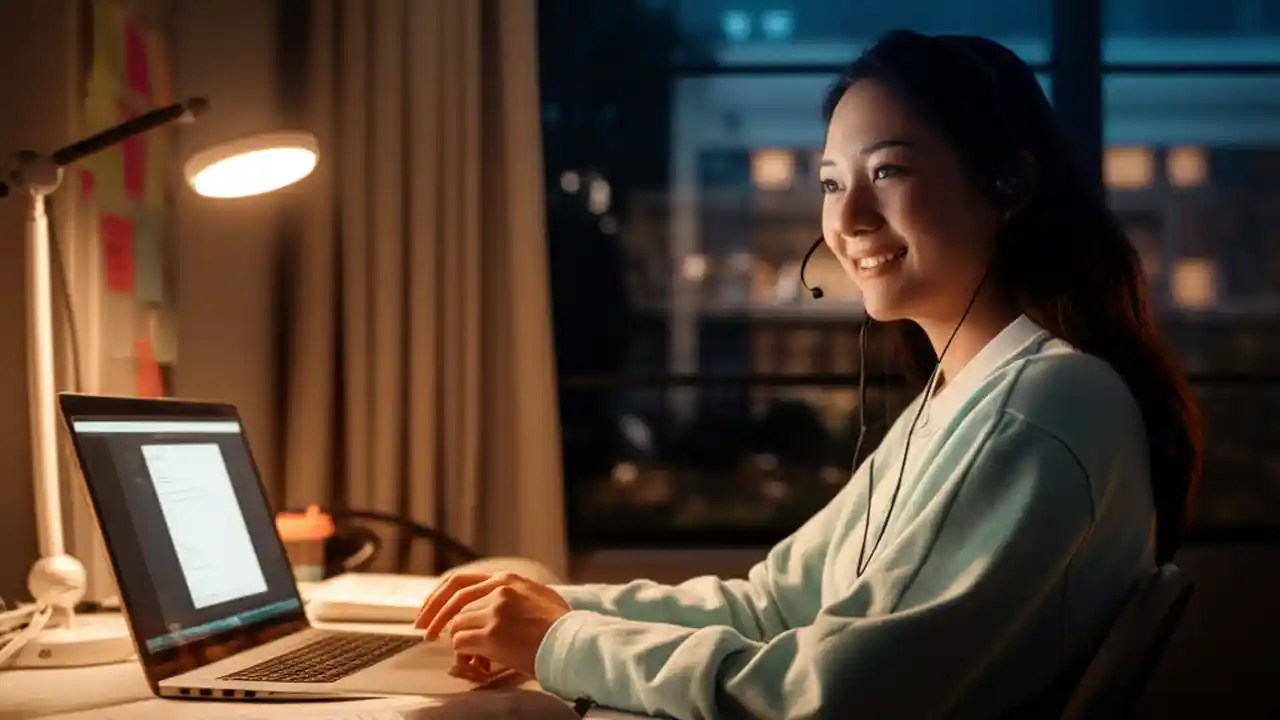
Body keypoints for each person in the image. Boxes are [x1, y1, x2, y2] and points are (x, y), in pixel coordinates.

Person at [412, 29, 1203, 719]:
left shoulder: (1042, 403)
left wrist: (563, 641)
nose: (848, 218)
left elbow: (835, 698)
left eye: (887, 172)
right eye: (831, 181)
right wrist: (553, 611)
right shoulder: (966, 395)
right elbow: (774, 605)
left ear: (1009, 185)